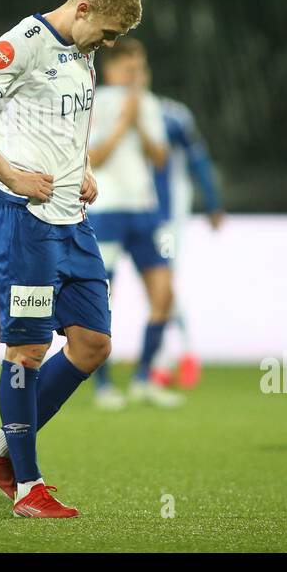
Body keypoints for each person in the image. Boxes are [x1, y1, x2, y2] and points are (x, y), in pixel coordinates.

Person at [0, 0, 141, 519]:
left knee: (92, 344)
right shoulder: (23, 43)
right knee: (26, 352)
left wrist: (79, 168)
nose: (108, 45)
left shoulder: (84, 55)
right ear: (82, 8)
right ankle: (28, 486)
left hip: (72, 221)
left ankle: (0, 453)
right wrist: (11, 176)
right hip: (24, 221)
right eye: (105, 32)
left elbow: (68, 122)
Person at [85, 39, 182, 409]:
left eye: (139, 68)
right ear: (110, 70)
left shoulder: (151, 104)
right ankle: (103, 385)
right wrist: (123, 122)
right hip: (106, 210)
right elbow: (93, 157)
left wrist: (139, 119)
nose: (135, 74)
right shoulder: (96, 101)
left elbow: (160, 158)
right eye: (128, 68)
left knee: (164, 294)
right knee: (102, 298)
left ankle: (143, 379)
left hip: (145, 210)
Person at [148, 91, 223, 389]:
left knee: (162, 280)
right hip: (135, 212)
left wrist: (213, 202)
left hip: (168, 217)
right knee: (156, 284)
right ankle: (168, 356)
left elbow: (197, 159)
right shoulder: (111, 106)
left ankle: (180, 354)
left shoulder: (173, 115)